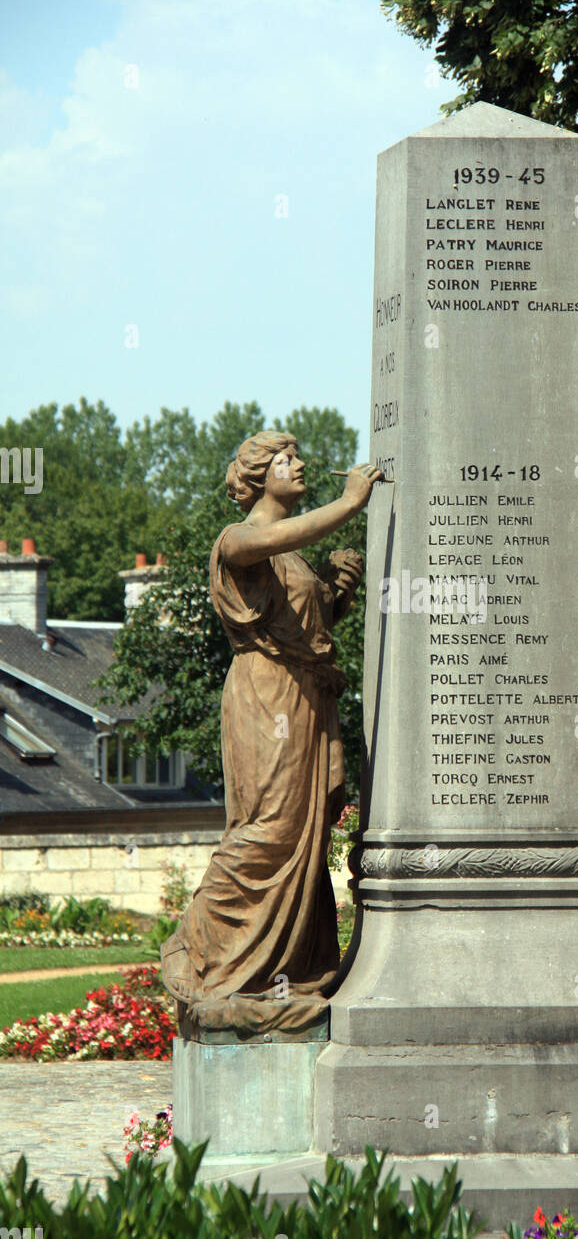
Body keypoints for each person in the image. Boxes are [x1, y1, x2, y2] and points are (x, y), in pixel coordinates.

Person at [161, 430, 382, 1035]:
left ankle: (287, 971)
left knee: (305, 833)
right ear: (258, 477)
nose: (301, 463)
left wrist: (338, 589)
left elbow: (299, 623)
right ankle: (203, 954)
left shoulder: (292, 556)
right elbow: (273, 543)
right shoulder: (241, 539)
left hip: (306, 694)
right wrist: (350, 504)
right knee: (271, 827)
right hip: (266, 695)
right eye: (286, 460)